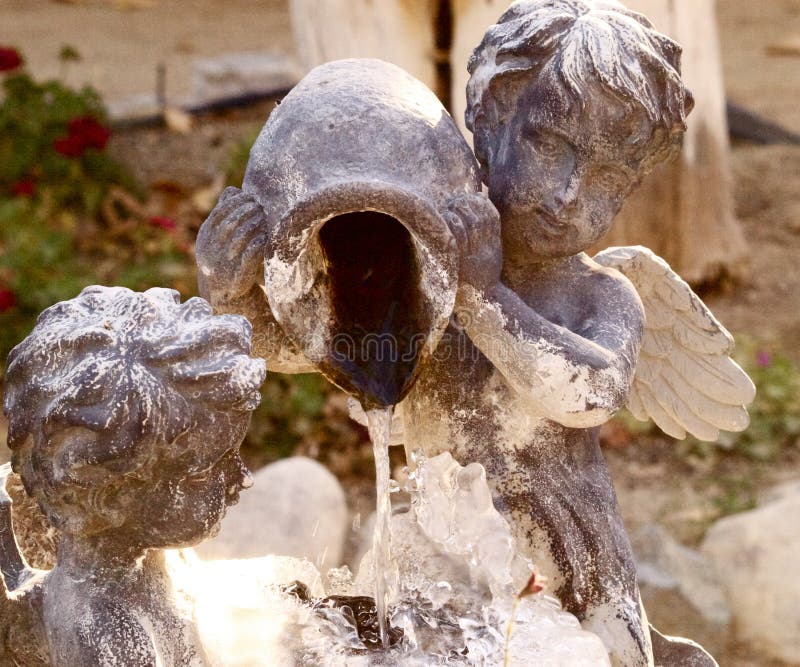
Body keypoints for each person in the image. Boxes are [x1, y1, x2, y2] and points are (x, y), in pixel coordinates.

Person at [2, 286, 266, 666]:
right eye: (204, 471)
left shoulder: (151, 560)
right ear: (110, 497)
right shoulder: (111, 639)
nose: (242, 479)